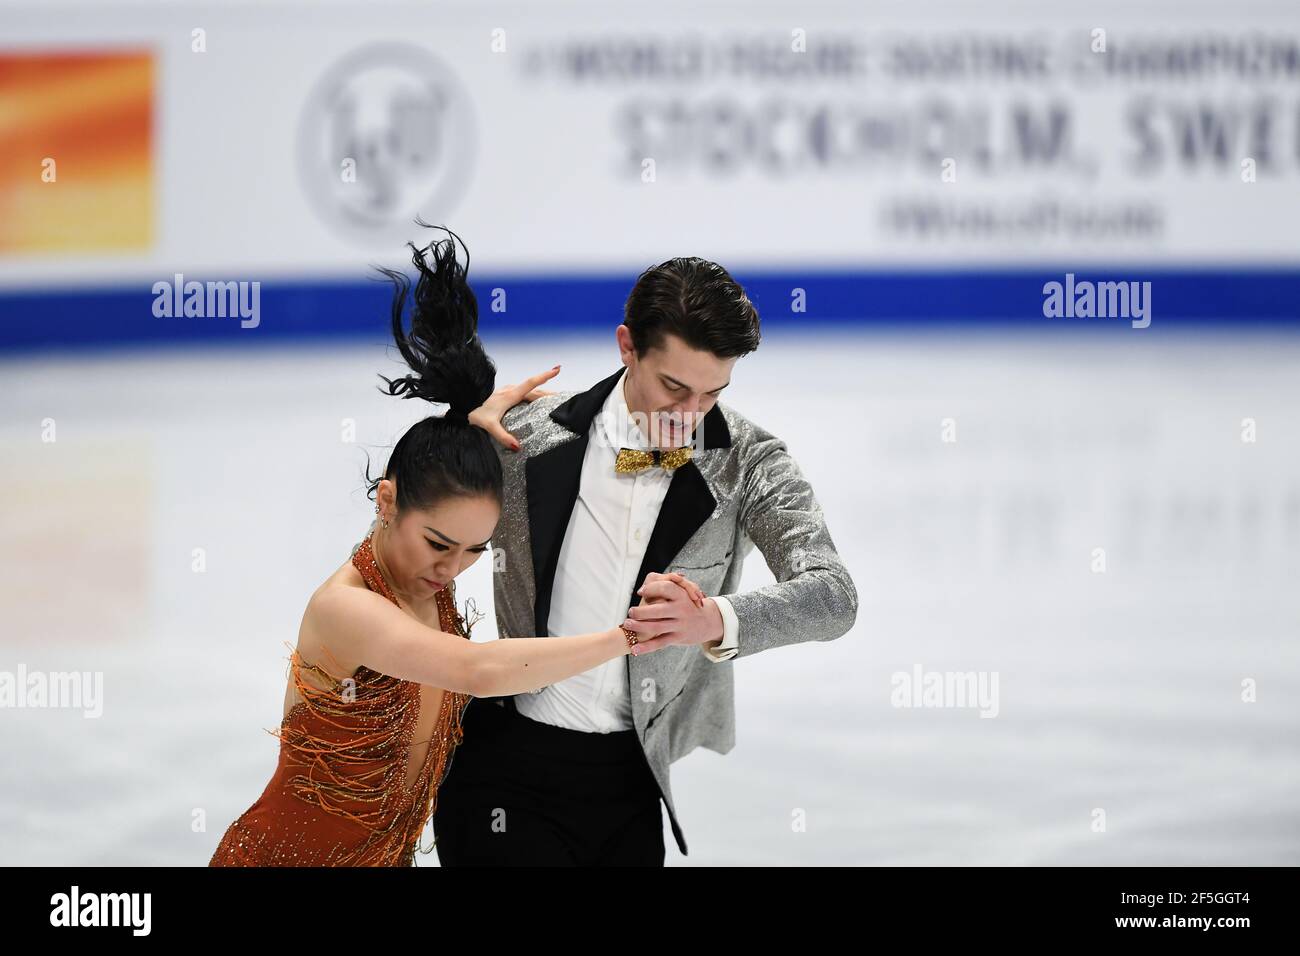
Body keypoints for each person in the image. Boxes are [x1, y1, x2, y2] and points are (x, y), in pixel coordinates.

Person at [208, 227, 702, 866]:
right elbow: (478, 670)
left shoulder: (422, 583)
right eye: (439, 542)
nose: (451, 568)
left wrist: (476, 417)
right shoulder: (346, 610)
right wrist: (626, 639)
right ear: (386, 503)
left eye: (476, 550)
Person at [431, 254, 859, 866]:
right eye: (674, 387)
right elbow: (410, 523)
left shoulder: (751, 465)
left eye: (713, 393)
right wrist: (463, 442)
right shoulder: (524, 438)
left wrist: (716, 619)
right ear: (627, 347)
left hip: (629, 785)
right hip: (506, 771)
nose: (689, 416)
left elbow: (834, 596)